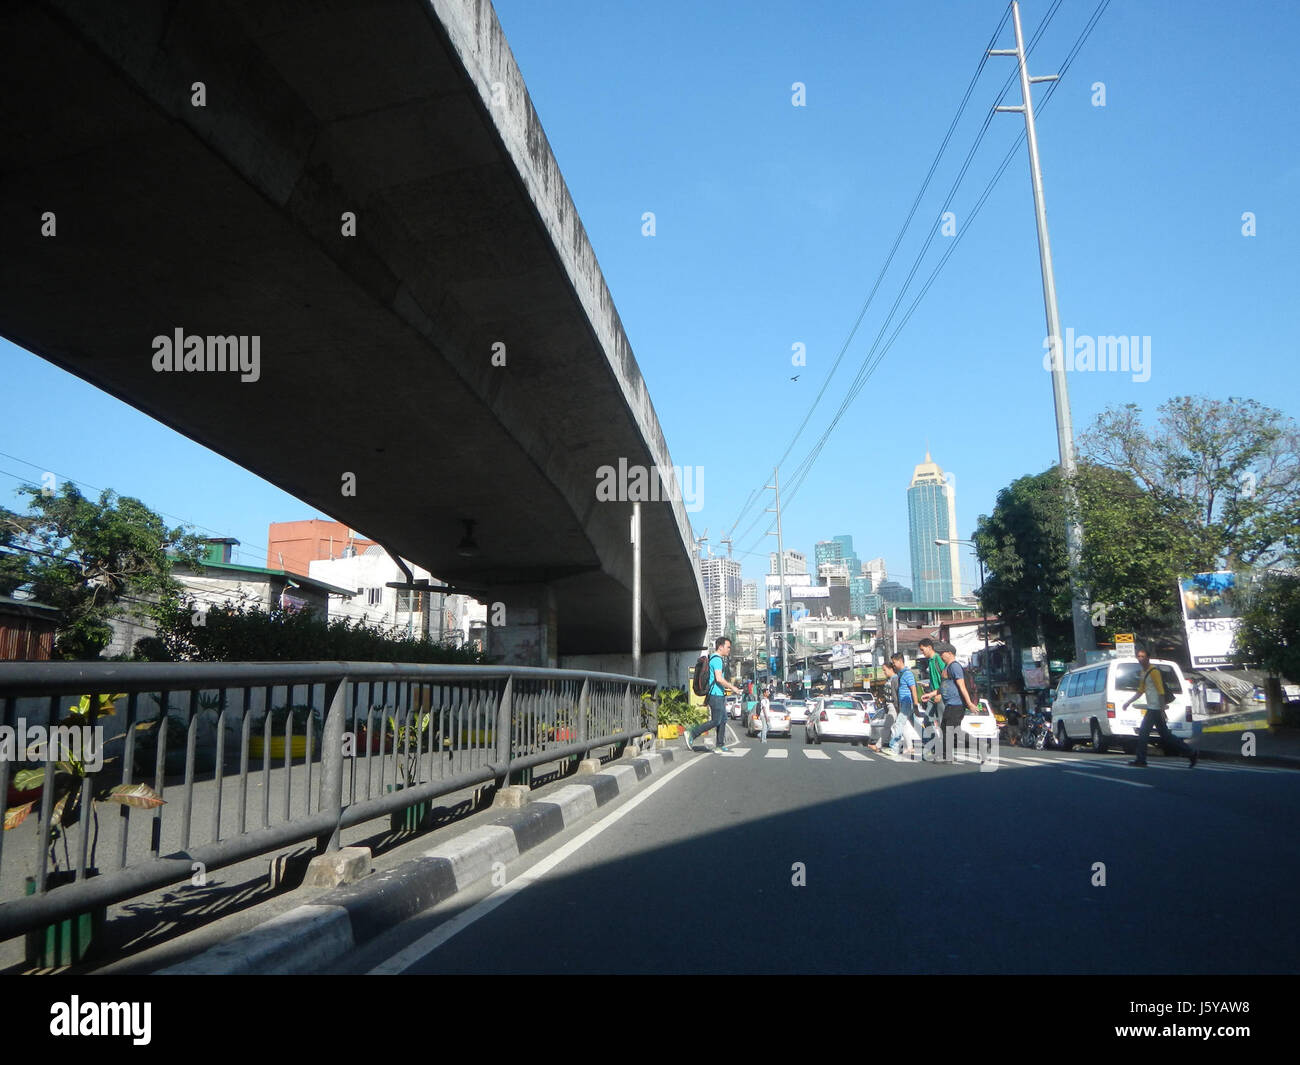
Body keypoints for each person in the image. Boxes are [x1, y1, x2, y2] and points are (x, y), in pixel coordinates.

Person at [1124, 647, 1197, 767]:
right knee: (1166, 736)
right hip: (1153, 708)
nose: (1140, 659)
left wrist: (1162, 709)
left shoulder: (1154, 672)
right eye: (1139, 656)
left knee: (1143, 733)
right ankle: (1191, 752)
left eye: (1143, 656)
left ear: (1148, 658)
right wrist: (1128, 702)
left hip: (1156, 708)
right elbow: (1140, 691)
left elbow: (1161, 691)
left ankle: (1141, 760)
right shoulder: (1144, 672)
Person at [685, 636, 741, 752]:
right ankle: (692, 733)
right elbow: (719, 679)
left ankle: (720, 745)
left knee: (723, 719)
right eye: (728, 647)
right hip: (715, 695)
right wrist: (732, 687)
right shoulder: (717, 660)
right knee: (716, 720)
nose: (729, 649)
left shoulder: (717, 659)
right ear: (720, 647)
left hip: (718, 694)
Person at [936, 643, 978, 762]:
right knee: (950, 730)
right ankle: (981, 746)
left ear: (950, 653)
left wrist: (969, 703)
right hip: (950, 704)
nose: (941, 655)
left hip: (956, 704)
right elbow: (946, 685)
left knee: (949, 729)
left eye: (942, 653)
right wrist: (933, 693)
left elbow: (962, 686)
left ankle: (947, 756)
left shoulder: (954, 666)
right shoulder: (947, 667)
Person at [889, 652, 921, 758]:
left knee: (898, 724)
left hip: (907, 703)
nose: (893, 665)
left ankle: (894, 747)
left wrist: (915, 704)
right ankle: (930, 741)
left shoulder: (907, 673)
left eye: (894, 662)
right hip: (904, 703)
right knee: (916, 725)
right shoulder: (900, 674)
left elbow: (913, 689)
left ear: (900, 661)